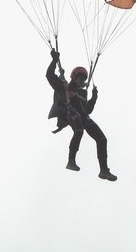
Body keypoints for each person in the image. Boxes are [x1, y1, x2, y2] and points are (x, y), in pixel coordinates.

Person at [46, 48, 117, 181]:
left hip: (83, 117)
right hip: (69, 112)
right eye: (79, 78)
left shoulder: (83, 93)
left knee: (102, 139)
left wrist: (94, 97)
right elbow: (49, 76)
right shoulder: (64, 86)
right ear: (74, 77)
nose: (81, 80)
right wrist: (54, 61)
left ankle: (104, 170)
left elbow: (87, 110)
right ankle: (71, 161)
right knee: (79, 130)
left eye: (83, 78)